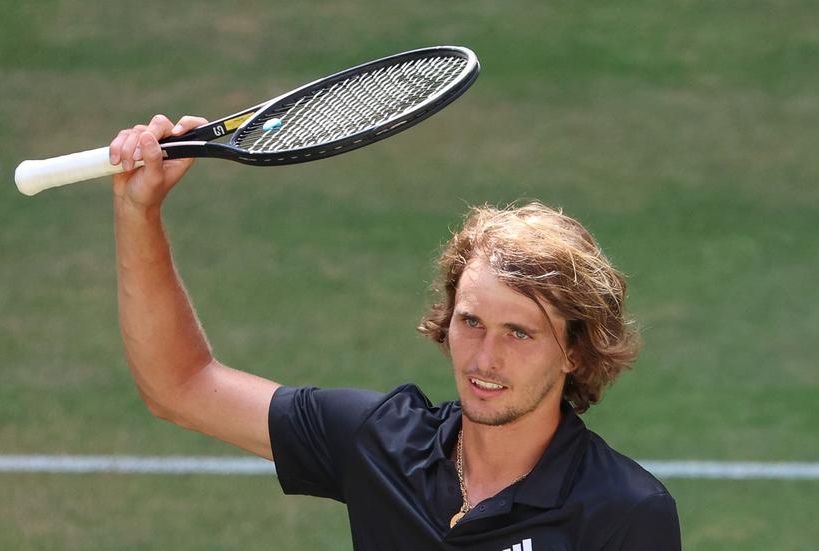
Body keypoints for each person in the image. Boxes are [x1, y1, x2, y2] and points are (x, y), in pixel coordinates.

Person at [108, 114, 682, 550]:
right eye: (471, 322)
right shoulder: (381, 442)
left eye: (519, 334)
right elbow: (180, 386)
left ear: (576, 351)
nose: (485, 358)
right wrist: (140, 213)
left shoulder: (625, 513)